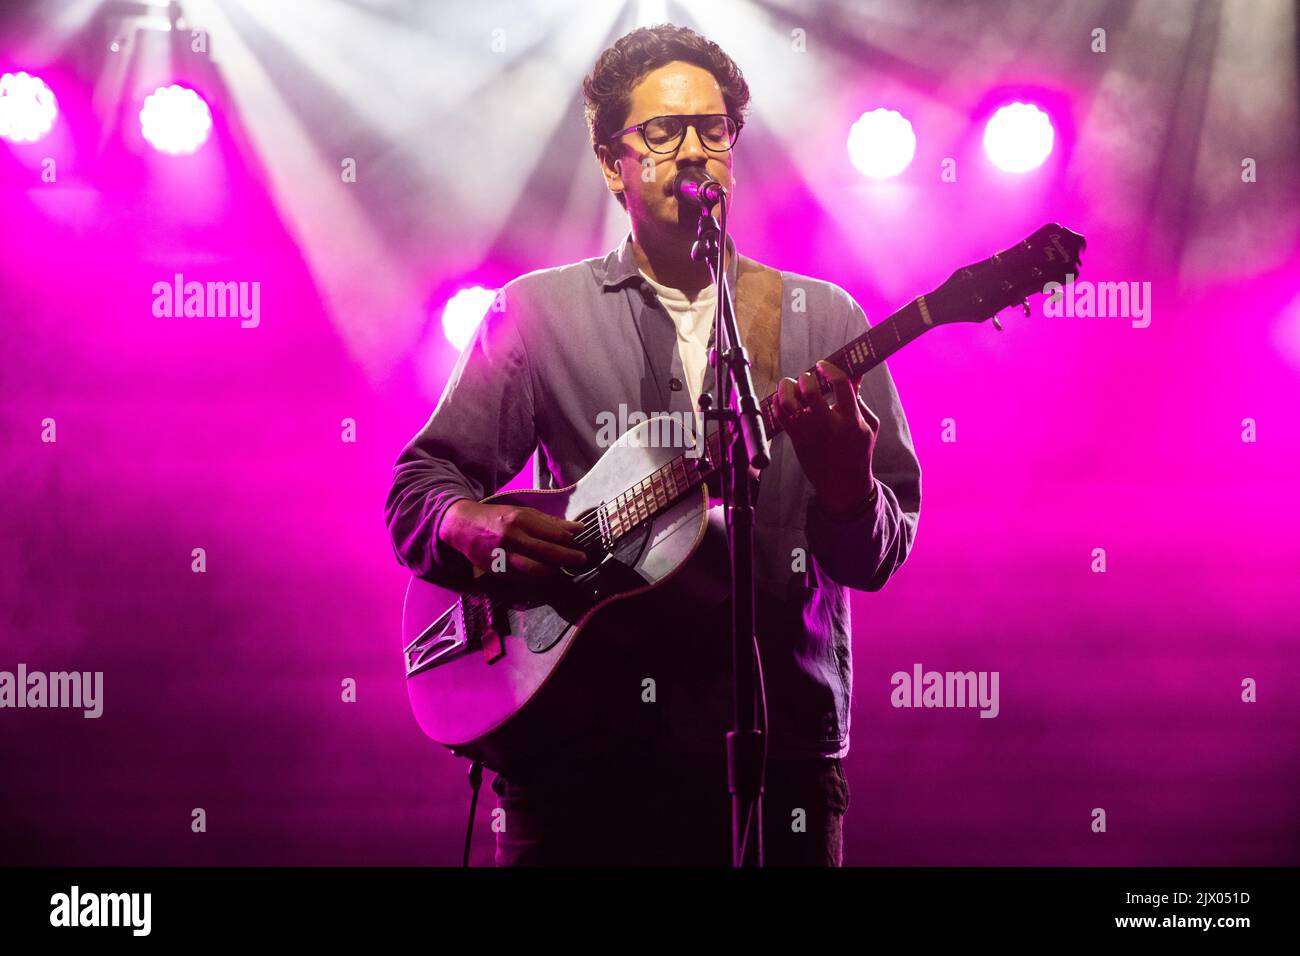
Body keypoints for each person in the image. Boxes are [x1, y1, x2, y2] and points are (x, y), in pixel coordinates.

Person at [385, 23, 921, 866]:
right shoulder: (534, 314)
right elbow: (420, 484)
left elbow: (877, 558)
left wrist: (850, 490)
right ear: (613, 165)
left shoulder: (824, 322)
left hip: (778, 758)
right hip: (578, 758)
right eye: (662, 133)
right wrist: (475, 526)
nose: (694, 153)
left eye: (713, 130)